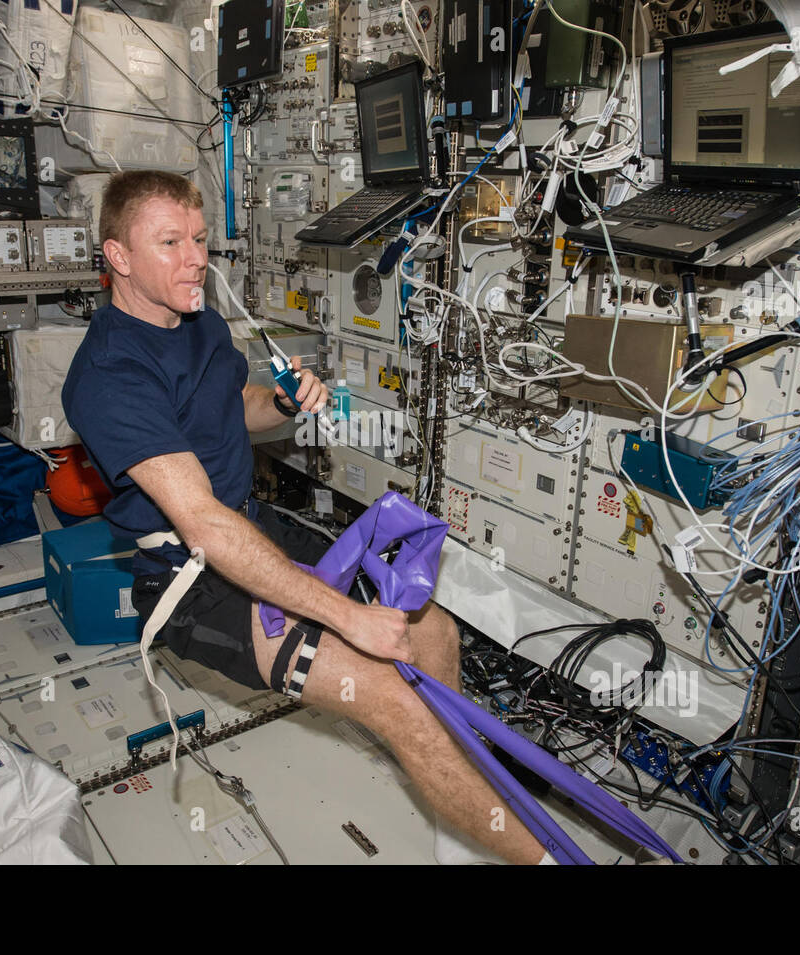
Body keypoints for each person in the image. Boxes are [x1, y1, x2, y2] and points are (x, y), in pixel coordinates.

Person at [62, 170, 549, 864]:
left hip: (246, 522)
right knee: (391, 693)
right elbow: (203, 524)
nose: (196, 258)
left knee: (431, 628)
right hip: (191, 574)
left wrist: (284, 403)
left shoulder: (194, 320)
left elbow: (232, 406)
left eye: (199, 239)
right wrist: (346, 617)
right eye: (169, 242)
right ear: (117, 257)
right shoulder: (109, 374)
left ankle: (461, 830)